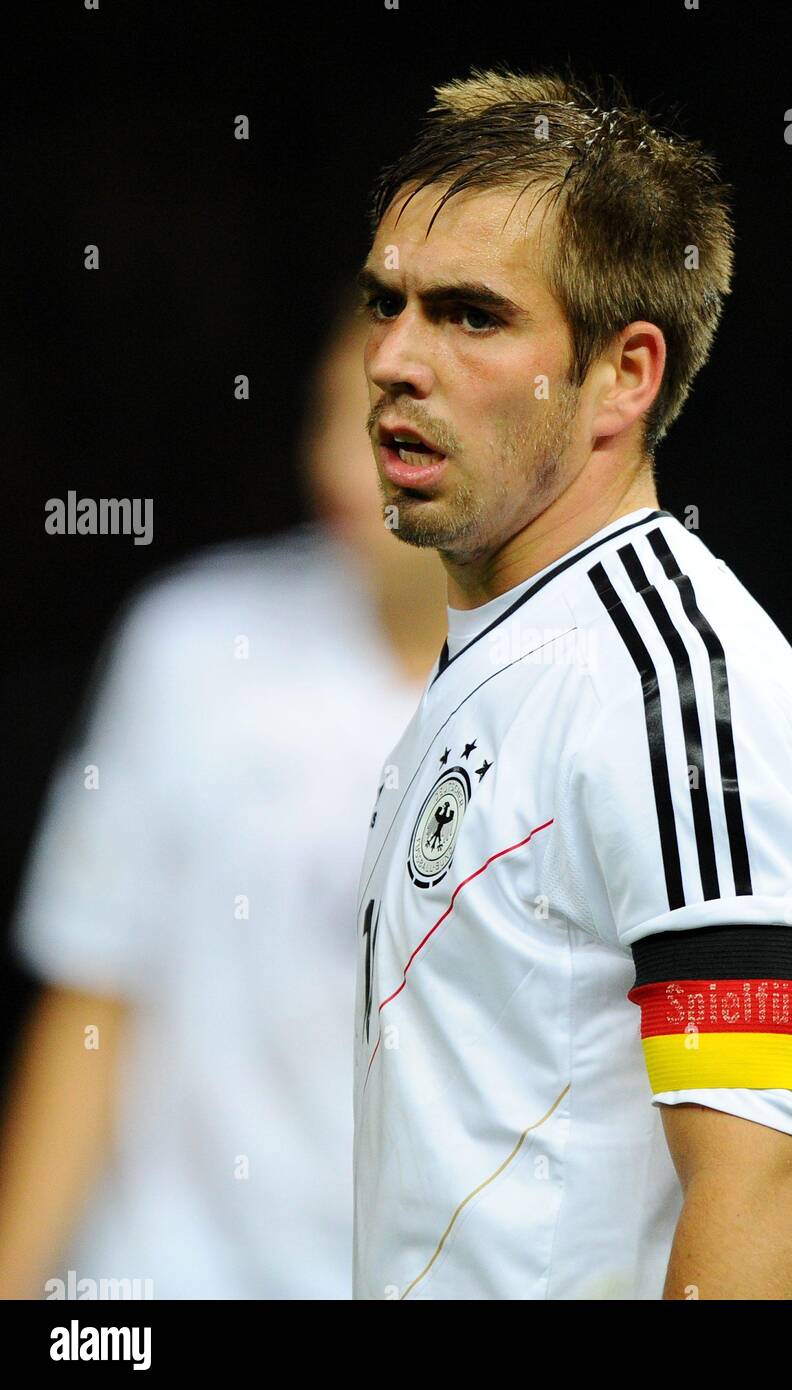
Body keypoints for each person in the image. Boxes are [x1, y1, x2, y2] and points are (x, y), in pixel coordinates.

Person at [351, 67, 792, 1302]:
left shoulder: (674, 690)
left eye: (471, 315)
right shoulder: (519, 651)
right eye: (388, 301)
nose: (394, 360)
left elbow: (763, 1171)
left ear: (626, 375)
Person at [0, 308, 446, 1299]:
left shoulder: (603, 709)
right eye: (328, 413)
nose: (335, 463)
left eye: (388, 428)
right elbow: (93, 999)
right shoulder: (193, 646)